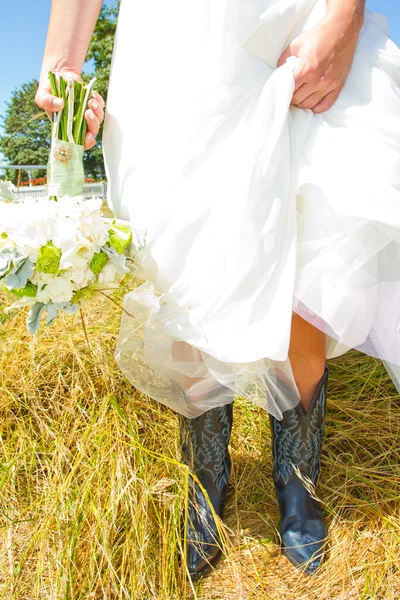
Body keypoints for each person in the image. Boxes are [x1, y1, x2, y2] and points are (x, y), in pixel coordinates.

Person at [36, 0, 400, 581]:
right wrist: (64, 68)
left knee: (307, 231)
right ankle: (207, 478)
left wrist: (345, 17)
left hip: (288, 20)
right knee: (185, 254)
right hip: (175, 45)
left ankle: (297, 483)